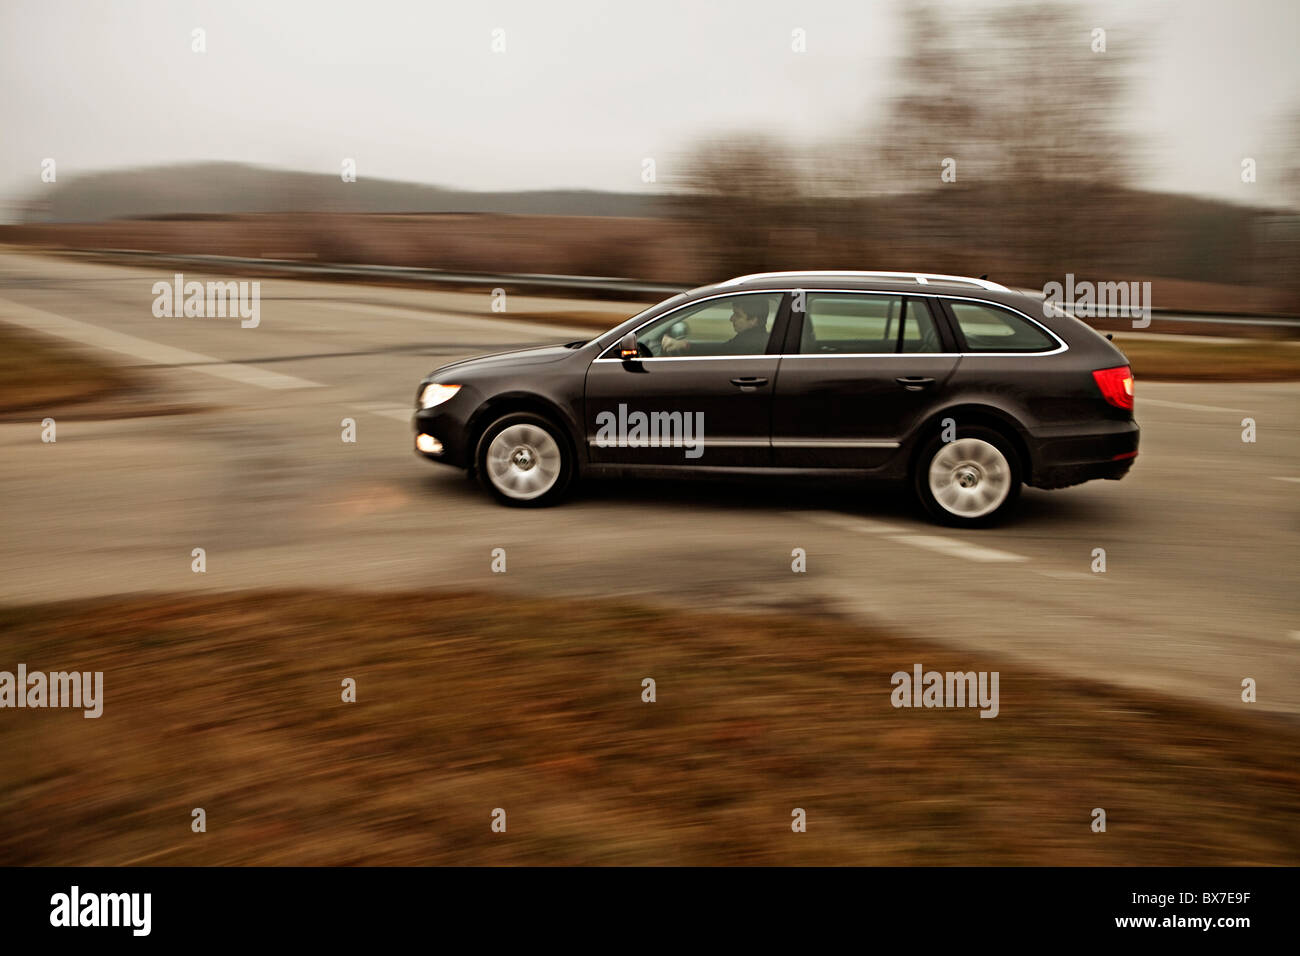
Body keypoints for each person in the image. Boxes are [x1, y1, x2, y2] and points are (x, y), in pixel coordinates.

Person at [660, 297, 769, 356]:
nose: (731, 319)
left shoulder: (749, 344)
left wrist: (684, 345)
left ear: (754, 320)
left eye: (738, 315)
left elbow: (720, 350)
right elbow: (723, 347)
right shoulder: (759, 339)